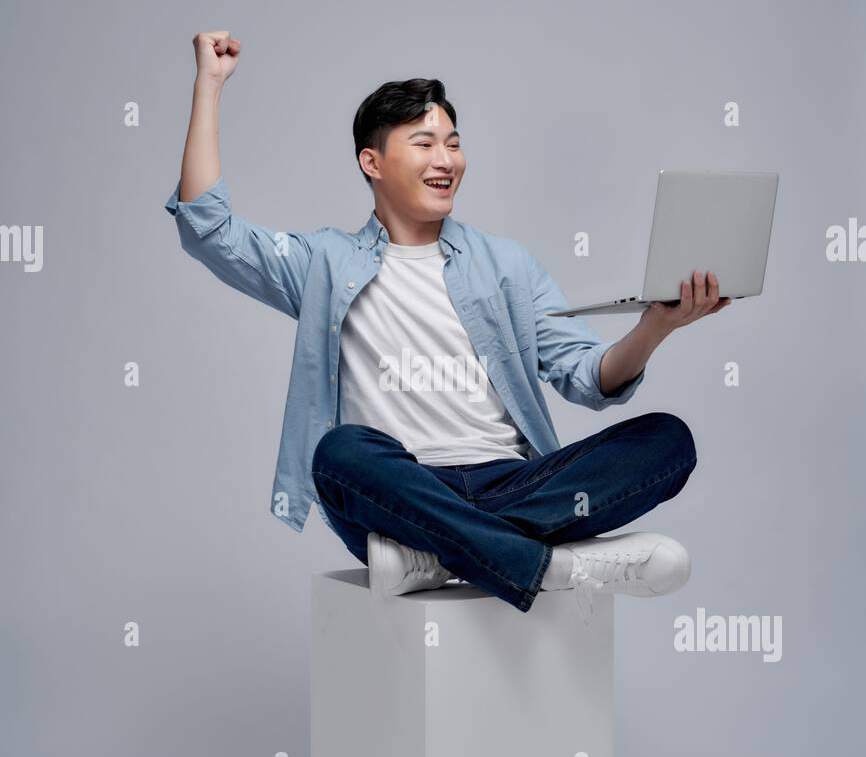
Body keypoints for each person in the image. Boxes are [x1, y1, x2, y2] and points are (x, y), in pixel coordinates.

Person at [166, 31, 730, 620]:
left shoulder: (507, 265)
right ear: (372, 162)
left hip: (512, 484)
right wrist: (209, 84)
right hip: (395, 496)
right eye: (425, 143)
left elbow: (589, 378)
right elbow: (209, 229)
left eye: (454, 143)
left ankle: (449, 554)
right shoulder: (323, 263)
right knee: (338, 453)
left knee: (667, 440)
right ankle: (550, 565)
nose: (446, 160)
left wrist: (657, 327)